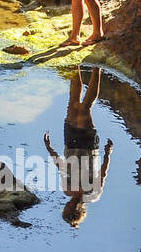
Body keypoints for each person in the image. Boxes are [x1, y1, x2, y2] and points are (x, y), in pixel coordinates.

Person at [43, 66, 113, 228]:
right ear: (78, 211)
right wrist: (108, 154)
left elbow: (61, 167)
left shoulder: (67, 190)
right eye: (69, 209)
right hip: (88, 147)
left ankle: (76, 65)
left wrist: (50, 149)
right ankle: (97, 68)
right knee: (85, 108)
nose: (68, 205)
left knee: (73, 102)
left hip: (70, 144)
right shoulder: (93, 194)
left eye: (66, 208)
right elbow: (103, 174)